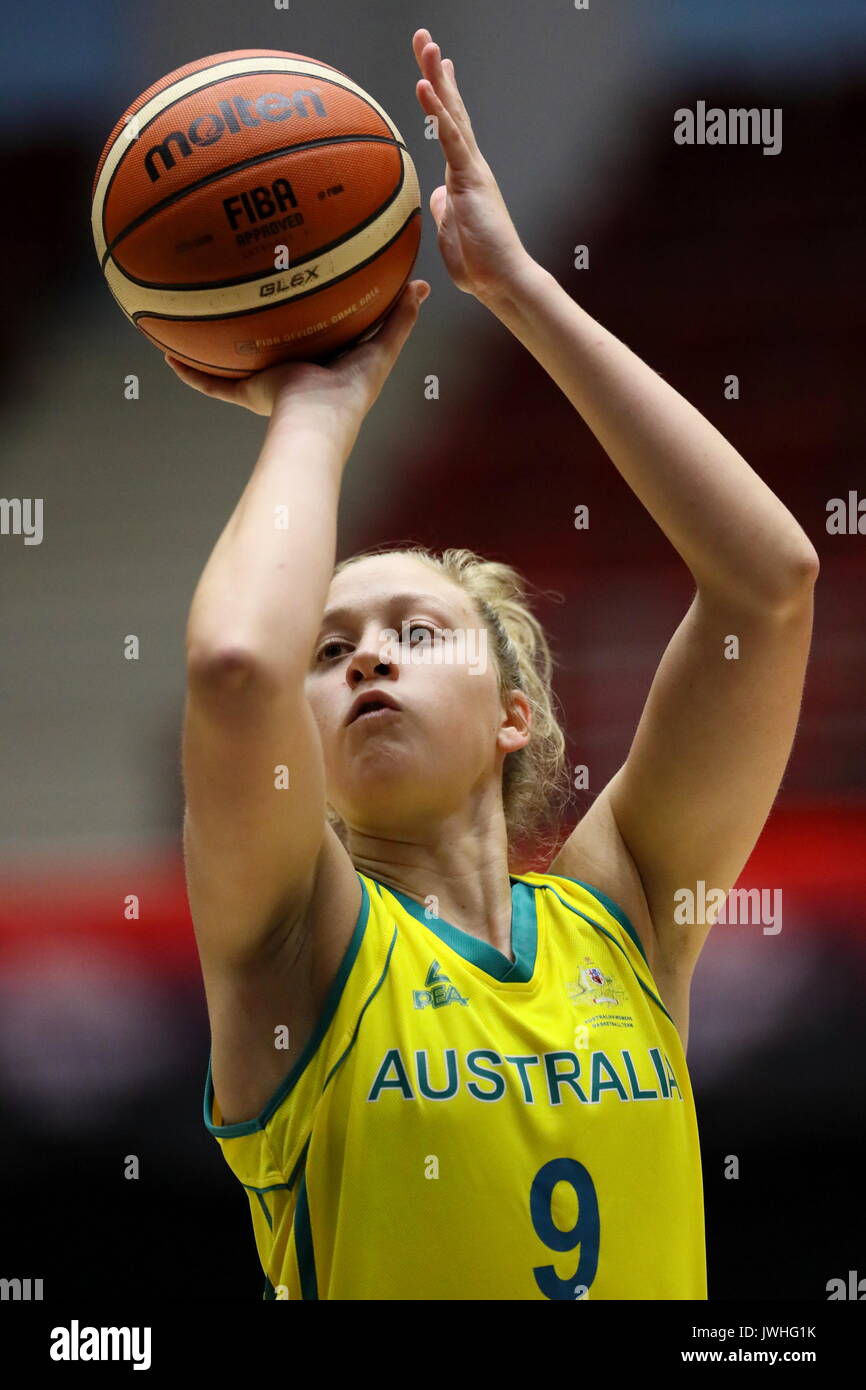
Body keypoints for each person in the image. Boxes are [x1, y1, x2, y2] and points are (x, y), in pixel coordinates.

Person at [168, 28, 818, 1300]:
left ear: (514, 712)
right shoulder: (298, 943)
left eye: (415, 632)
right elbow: (239, 664)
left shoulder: (626, 908)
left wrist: (518, 287)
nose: (363, 665)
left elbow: (769, 583)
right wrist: (318, 402)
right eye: (334, 650)